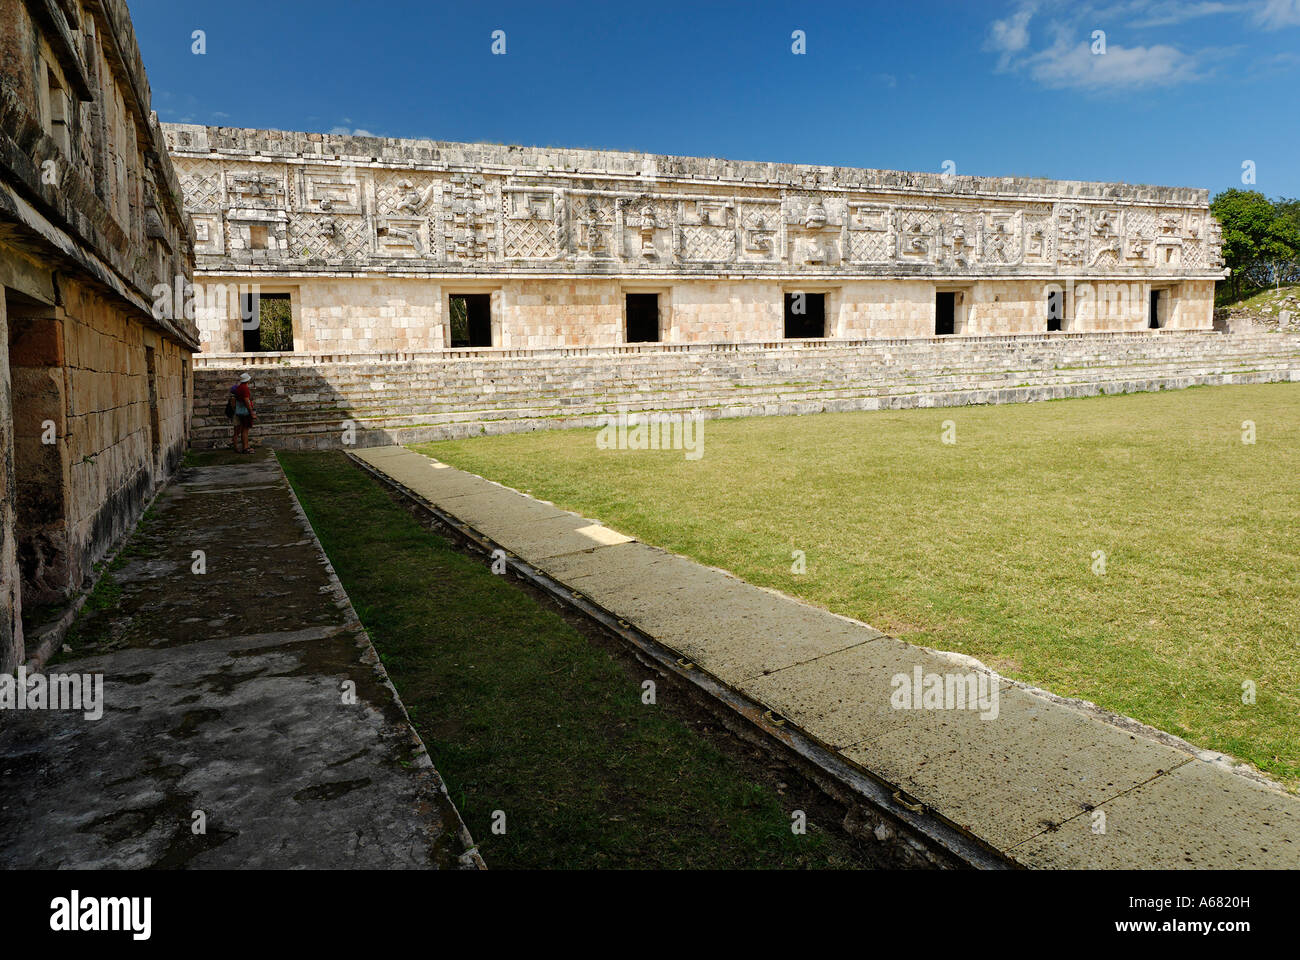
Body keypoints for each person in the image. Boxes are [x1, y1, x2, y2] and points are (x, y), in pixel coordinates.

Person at [230, 372, 256, 453]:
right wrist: (251, 412)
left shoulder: (239, 388)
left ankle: (246, 446)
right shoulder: (244, 388)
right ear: (247, 380)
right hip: (245, 412)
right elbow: (246, 401)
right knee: (245, 430)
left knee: (244, 429)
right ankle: (245, 448)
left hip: (241, 411)